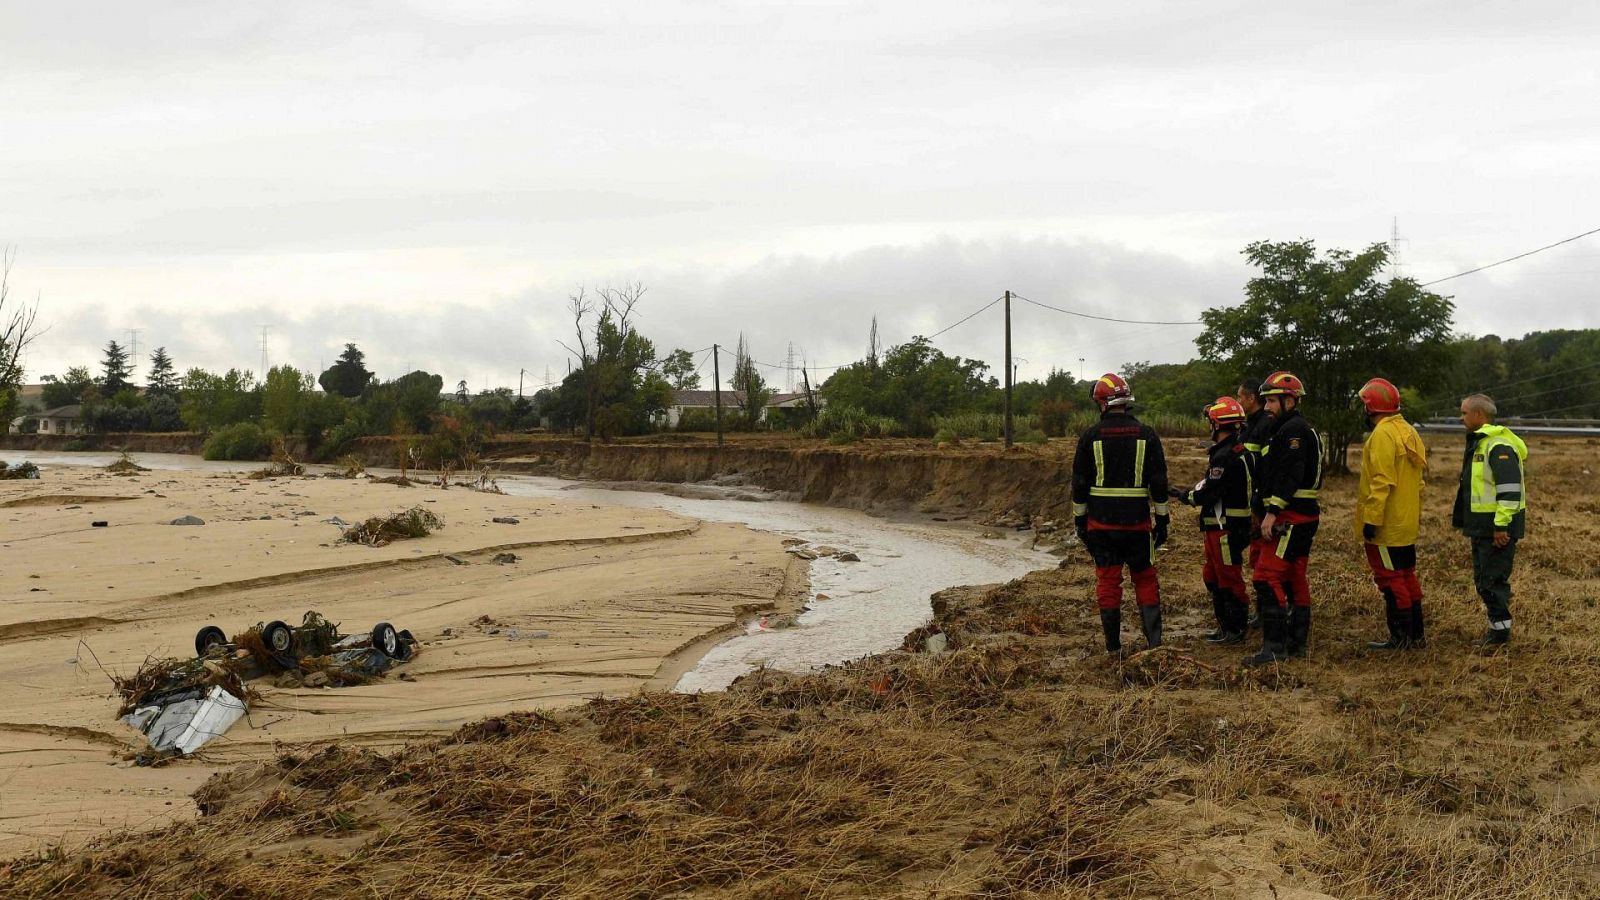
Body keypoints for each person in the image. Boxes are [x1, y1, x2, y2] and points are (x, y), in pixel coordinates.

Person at [1072, 373, 1170, 654]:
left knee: (1108, 581)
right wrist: (1162, 520)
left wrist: (1080, 522)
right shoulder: (1147, 435)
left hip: (1101, 526)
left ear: (1102, 403)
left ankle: (1113, 648)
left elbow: (1079, 484)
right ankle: (1155, 645)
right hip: (1138, 525)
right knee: (1146, 577)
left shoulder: (1089, 437)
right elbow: (1159, 483)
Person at [1244, 371, 1322, 667]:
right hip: (1299, 515)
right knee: (1294, 576)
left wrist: (1272, 513)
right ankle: (1296, 642)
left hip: (1290, 516)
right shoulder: (1288, 428)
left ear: (1290, 401)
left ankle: (1275, 647)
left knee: (1266, 576)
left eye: (1272, 402)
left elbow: (1289, 475)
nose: (1266, 408)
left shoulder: (1293, 431)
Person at [1171, 396, 1255, 644]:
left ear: (1217, 425)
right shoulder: (1235, 451)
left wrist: (1186, 496)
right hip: (1222, 528)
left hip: (1225, 529)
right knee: (1212, 577)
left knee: (1229, 578)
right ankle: (1225, 627)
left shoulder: (1225, 456)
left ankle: (1236, 629)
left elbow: (1210, 493)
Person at [1355, 377, 1428, 650]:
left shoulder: (1383, 435)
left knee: (1391, 579)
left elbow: (1382, 481)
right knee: (1406, 574)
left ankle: (1402, 638)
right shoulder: (1408, 431)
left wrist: (1372, 520)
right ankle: (1416, 636)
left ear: (1371, 407)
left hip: (1386, 524)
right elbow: (1419, 482)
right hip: (1405, 523)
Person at [1452, 393, 1527, 648]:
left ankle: (1499, 636)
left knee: (1492, 581)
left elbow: (1509, 489)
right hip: (1483, 526)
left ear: (1478, 415)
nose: (1461, 418)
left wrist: (1501, 526)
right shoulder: (1482, 443)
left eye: (1464, 413)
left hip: (1496, 527)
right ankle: (1498, 631)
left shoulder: (1498, 446)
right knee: (1484, 580)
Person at [1236, 376, 1275, 629]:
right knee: (1256, 558)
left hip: (1260, 504)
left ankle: (1269, 613)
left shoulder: (1265, 425)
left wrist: (1258, 507)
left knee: (1264, 562)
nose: (1239, 401)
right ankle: (1263, 611)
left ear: (1252, 398)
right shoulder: (1249, 425)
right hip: (1251, 501)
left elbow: (1264, 471)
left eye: (1240, 396)